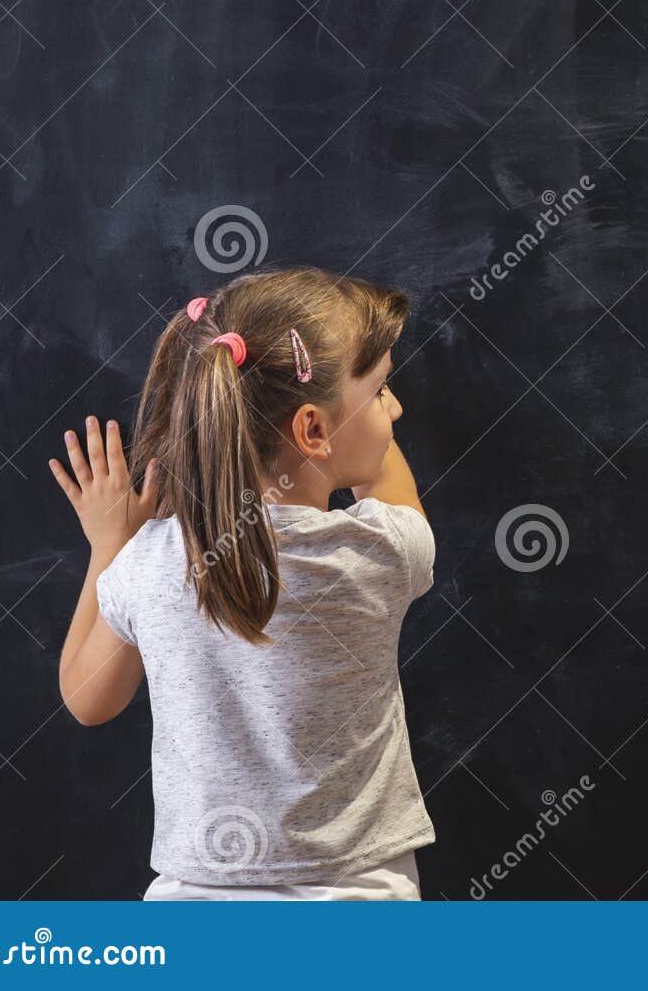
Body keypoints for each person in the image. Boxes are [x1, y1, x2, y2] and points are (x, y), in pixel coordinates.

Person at [51, 267, 437, 899]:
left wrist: (109, 547)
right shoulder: (380, 551)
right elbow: (390, 487)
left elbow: (88, 699)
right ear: (312, 430)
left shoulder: (148, 564)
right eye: (383, 389)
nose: (394, 407)